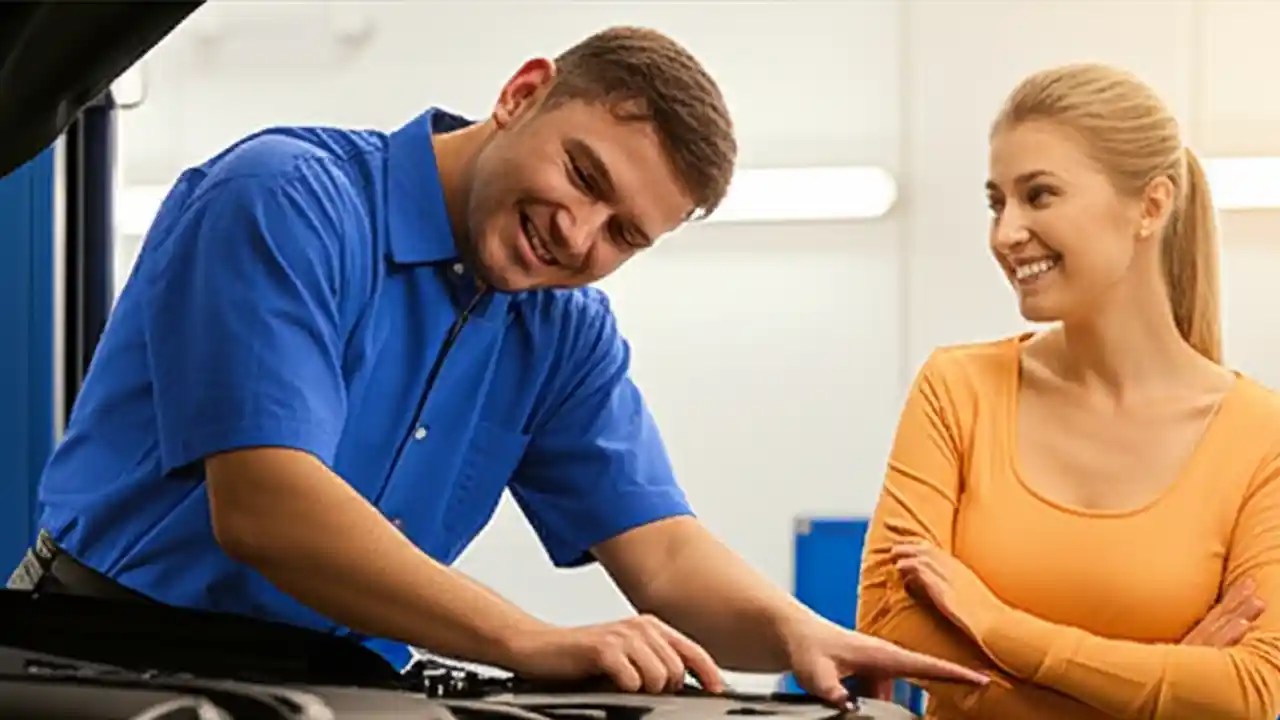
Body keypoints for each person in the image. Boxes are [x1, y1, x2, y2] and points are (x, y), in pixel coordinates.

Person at [8, 25, 985, 707]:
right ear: (520, 96)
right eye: (583, 176)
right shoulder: (286, 200)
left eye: (623, 234)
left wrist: (791, 634)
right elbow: (268, 506)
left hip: (331, 686)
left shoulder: (562, 331)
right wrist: (527, 638)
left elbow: (664, 554)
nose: (579, 234)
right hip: (102, 661)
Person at [856, 60, 1280, 719]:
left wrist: (1000, 628)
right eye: (997, 202)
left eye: (1040, 195)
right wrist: (1157, 694)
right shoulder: (958, 389)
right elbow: (890, 623)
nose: (1005, 233)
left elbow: (1253, 689)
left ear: (1151, 205)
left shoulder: (1260, 434)